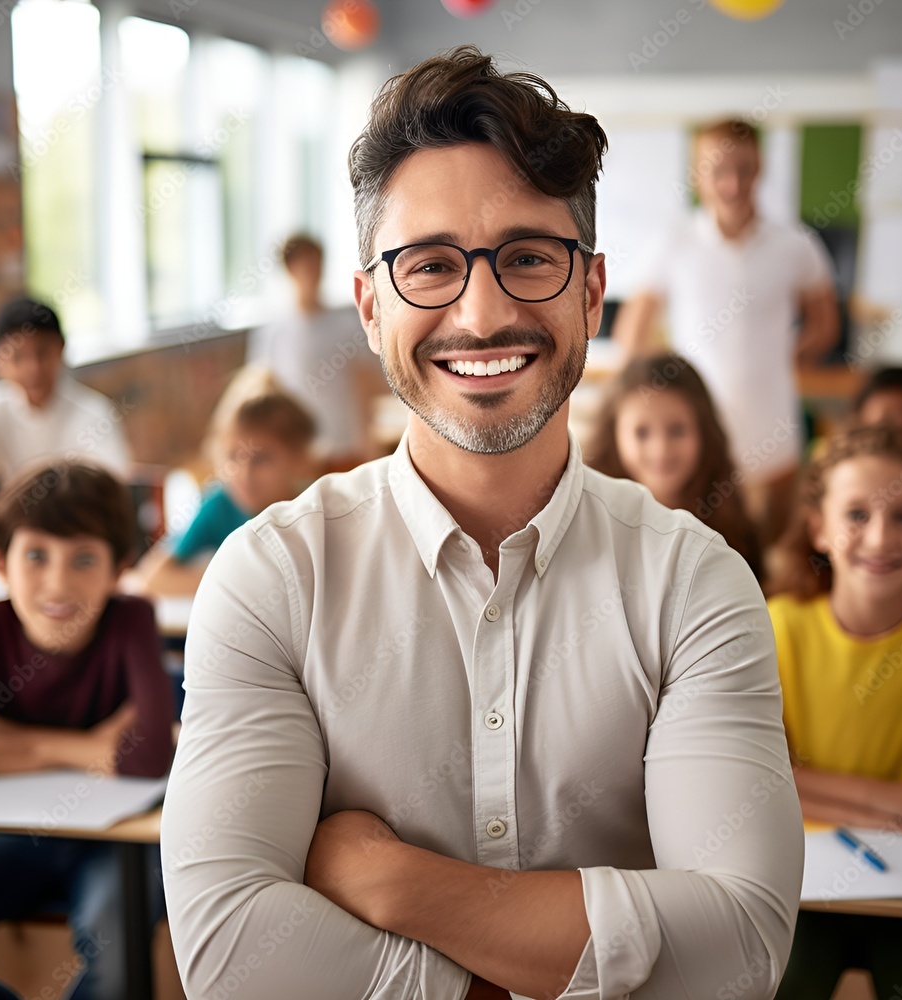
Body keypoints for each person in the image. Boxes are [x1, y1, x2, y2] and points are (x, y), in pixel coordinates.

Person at [162, 46, 803, 1000]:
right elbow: (229, 952)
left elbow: (741, 945)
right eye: (430, 267)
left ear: (591, 294)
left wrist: (391, 882)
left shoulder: (696, 584)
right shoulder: (272, 578)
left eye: (529, 259)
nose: (483, 310)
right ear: (372, 307)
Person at [0, 461, 174, 999]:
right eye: (36, 556)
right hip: (9, 833)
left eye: (83, 559)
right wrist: (84, 749)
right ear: (0, 563)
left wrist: (2, 743)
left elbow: (149, 758)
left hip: (117, 843)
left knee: (115, 954)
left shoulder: (131, 622)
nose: (58, 583)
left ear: (119, 567)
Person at [766, 423, 902, 999]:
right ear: (818, 527)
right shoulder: (774, 626)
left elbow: (786, 782)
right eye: (856, 515)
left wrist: (808, 788)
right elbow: (758, 784)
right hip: (795, 888)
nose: (879, 538)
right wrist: (899, 802)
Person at [613, 118, 839, 545]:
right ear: (699, 174)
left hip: (772, 417)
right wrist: (661, 389)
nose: (733, 184)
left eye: (745, 169)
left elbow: (825, 325)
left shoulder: (795, 244)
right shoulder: (674, 242)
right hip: (695, 424)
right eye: (719, 171)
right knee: (696, 542)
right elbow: (632, 331)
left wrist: (776, 361)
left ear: (761, 169)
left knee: (773, 545)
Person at [0, 296, 131, 544]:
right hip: (10, 533)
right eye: (18, 357)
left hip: (75, 532)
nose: (33, 368)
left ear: (61, 349)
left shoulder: (93, 411)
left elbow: (113, 482)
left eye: (43, 353)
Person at [133, 367, 318, 597]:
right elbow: (154, 576)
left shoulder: (311, 507)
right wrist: (236, 581)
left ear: (298, 459)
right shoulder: (218, 504)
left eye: (261, 458)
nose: (244, 473)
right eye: (233, 457)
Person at [586, 353, 762, 578]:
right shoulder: (589, 522)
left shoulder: (738, 532)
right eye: (642, 432)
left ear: (704, 431)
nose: (661, 450)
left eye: (677, 430)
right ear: (614, 435)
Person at [247, 232, 386, 467]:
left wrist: (369, 439)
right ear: (290, 269)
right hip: (299, 453)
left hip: (346, 447)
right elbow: (264, 395)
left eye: (316, 264)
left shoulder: (347, 325)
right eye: (304, 265)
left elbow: (366, 386)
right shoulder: (272, 334)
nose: (312, 272)